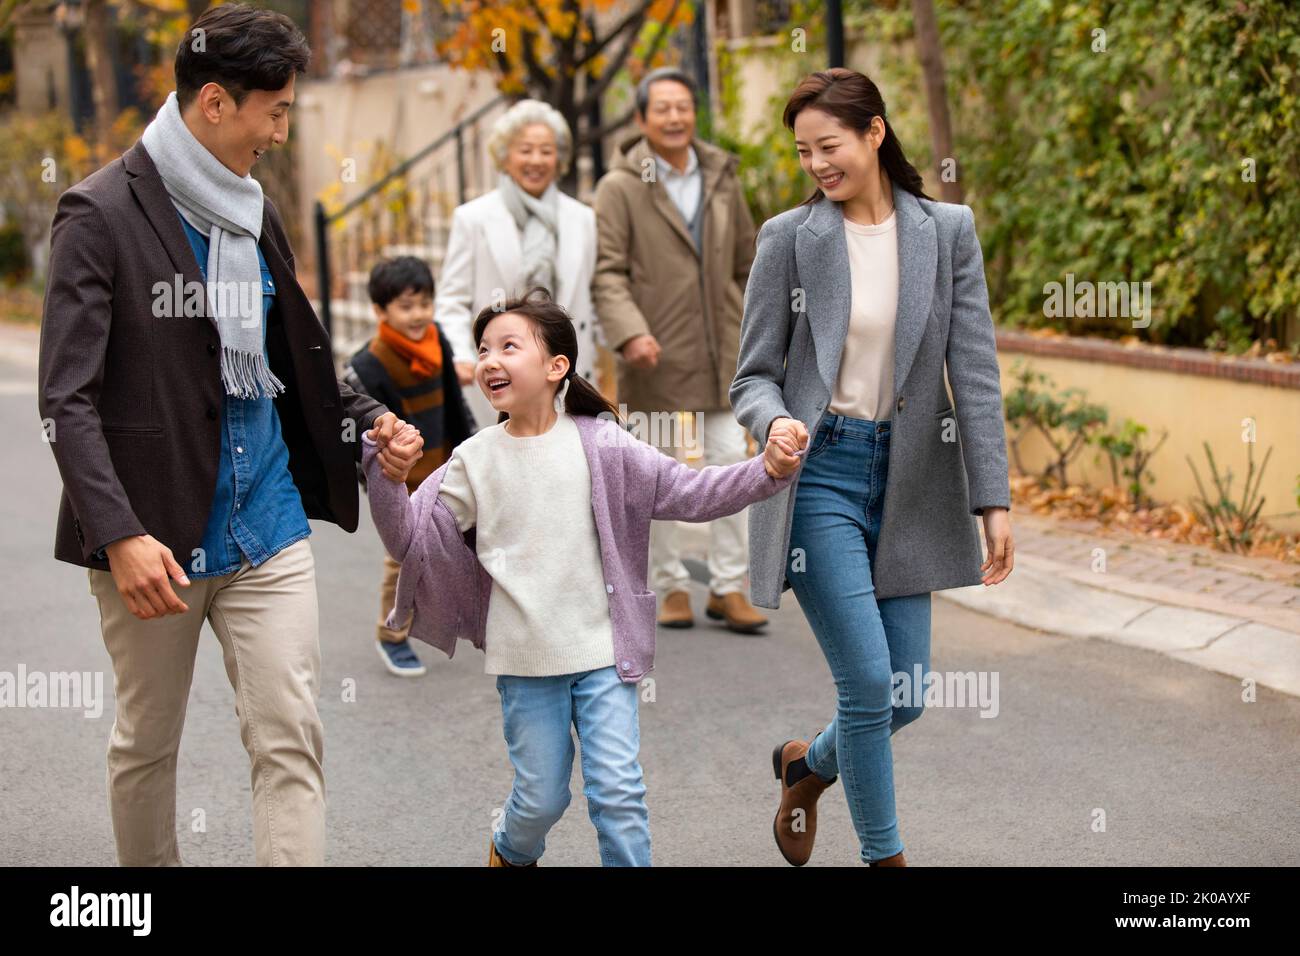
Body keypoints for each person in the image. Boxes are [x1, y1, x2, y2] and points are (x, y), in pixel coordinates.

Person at [36, 3, 422, 866]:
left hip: (267, 525)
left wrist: (371, 424)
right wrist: (122, 534)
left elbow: (301, 360)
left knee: (290, 740)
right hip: (155, 543)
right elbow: (67, 400)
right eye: (275, 112)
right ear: (216, 102)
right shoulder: (97, 213)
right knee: (147, 744)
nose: (282, 134)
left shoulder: (251, 209)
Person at [359, 287, 807, 866]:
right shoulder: (474, 459)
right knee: (541, 798)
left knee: (619, 795)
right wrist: (386, 477)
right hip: (524, 663)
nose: (490, 360)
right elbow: (410, 542)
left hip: (603, 652)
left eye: (508, 346)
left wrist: (767, 470)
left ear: (556, 367)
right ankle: (510, 851)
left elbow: (691, 493)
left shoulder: (605, 447)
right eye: (483, 349)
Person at [730, 68, 1015, 867]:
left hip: (914, 479)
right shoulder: (789, 238)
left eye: (830, 146)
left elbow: (977, 372)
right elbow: (750, 374)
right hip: (820, 474)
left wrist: (992, 497)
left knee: (906, 697)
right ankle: (885, 859)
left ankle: (806, 766)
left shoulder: (946, 232)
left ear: (875, 133)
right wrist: (777, 419)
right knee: (865, 686)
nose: (818, 164)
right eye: (803, 152)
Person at [592, 66, 767, 634]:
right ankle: (666, 585)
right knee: (657, 474)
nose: (675, 117)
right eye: (662, 108)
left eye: (683, 106)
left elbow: (748, 261)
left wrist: (748, 323)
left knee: (731, 464)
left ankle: (727, 586)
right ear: (641, 120)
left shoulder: (721, 176)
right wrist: (629, 332)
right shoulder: (620, 186)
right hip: (654, 357)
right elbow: (607, 272)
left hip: (722, 353)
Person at [342, 256, 476, 677]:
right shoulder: (366, 366)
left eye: (424, 303)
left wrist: (472, 452)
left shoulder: (439, 342)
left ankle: (447, 616)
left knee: (458, 546)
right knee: (402, 560)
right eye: (405, 306)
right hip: (402, 483)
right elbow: (365, 437)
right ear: (380, 311)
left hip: (445, 471)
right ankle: (392, 634)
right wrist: (383, 489)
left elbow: (456, 405)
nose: (418, 315)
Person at [435, 98, 602, 430]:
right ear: (504, 157)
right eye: (525, 150)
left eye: (546, 150)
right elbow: (451, 301)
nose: (536, 160)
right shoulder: (474, 219)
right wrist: (463, 356)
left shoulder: (582, 218)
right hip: (500, 375)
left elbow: (593, 297)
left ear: (560, 158)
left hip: (565, 370)